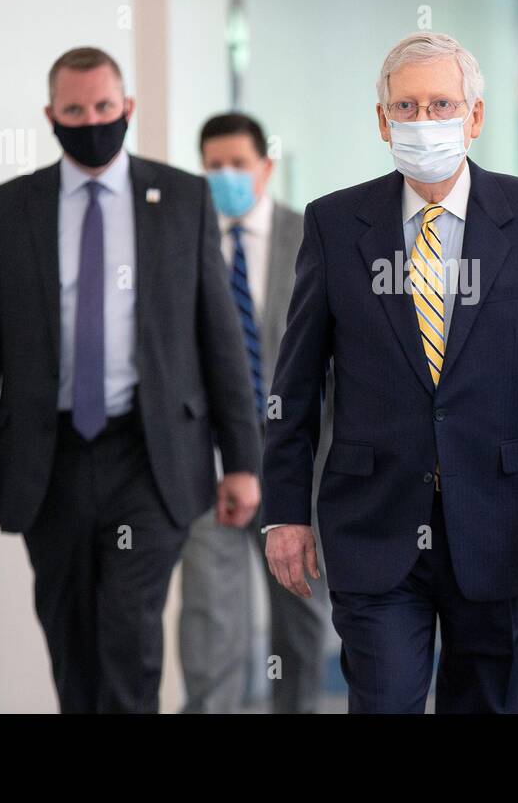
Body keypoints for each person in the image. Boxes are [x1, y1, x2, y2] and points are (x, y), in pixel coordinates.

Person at [261, 32, 518, 713]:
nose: (424, 122)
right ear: (382, 118)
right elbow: (296, 386)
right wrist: (284, 512)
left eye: (442, 104)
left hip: (507, 527)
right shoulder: (335, 224)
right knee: (385, 700)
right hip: (374, 526)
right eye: (407, 106)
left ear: (474, 117)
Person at [0, 47, 261, 713]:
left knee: (129, 632)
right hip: (47, 457)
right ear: (51, 117)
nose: (92, 121)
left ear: (129, 108)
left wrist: (242, 462)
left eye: (104, 107)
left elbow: (220, 341)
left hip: (148, 456)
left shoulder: (181, 198)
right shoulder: (9, 209)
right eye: (76, 111)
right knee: (71, 638)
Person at [178, 112, 331, 714]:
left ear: (265, 167)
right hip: (209, 467)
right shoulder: (184, 244)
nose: (226, 177)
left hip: (298, 464)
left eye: (237, 164)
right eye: (213, 167)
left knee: (299, 624)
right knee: (210, 626)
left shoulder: (311, 238)